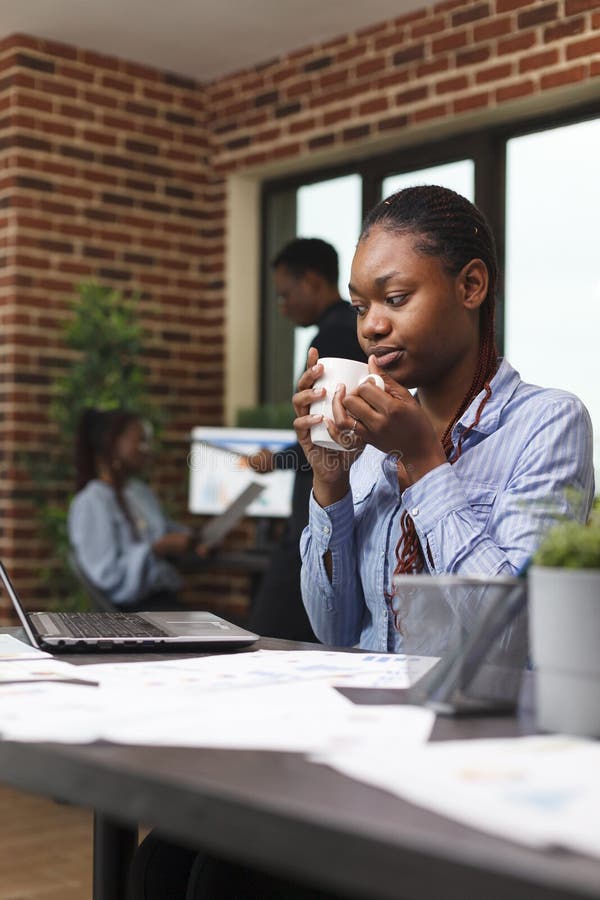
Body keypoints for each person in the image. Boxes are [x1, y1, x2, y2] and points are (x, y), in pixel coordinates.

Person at [294, 184, 595, 651]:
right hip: (369, 715)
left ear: (470, 286)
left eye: (394, 298)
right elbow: (333, 630)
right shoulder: (373, 440)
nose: (371, 326)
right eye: (360, 307)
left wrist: (423, 463)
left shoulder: (548, 424)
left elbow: (512, 637)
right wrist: (331, 482)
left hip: (472, 722)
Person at [246, 237, 365, 642]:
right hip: (328, 500)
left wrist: (274, 461)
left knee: (267, 637)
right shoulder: (343, 330)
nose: (282, 306)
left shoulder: (333, 338)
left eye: (285, 294)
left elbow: (328, 438)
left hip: (322, 504)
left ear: (313, 281)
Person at [68, 408, 206, 610]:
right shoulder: (91, 502)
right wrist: (156, 549)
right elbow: (107, 577)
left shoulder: (139, 492)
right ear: (113, 443)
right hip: (132, 613)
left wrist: (195, 540)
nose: (147, 448)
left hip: (164, 601)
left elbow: (166, 529)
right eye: (140, 441)